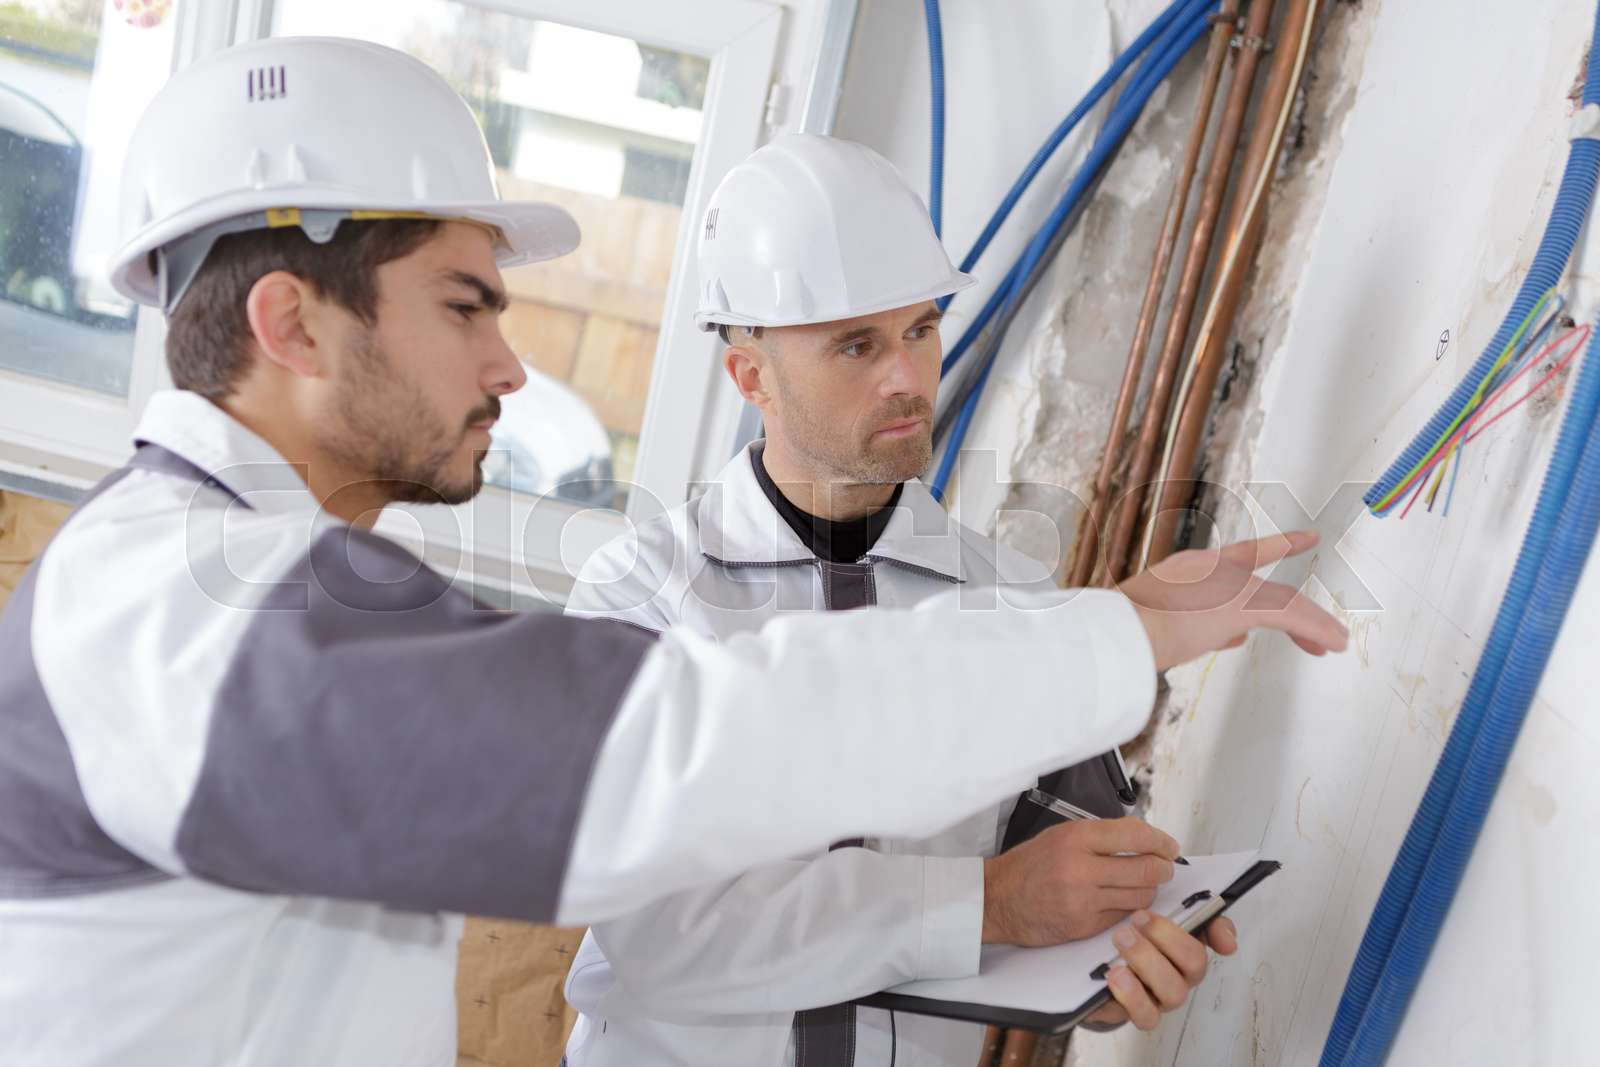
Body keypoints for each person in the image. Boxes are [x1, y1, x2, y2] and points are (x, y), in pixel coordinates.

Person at [0, 38, 1346, 1067]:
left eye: (917, 329)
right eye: (464, 303)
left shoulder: (252, 582)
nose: (513, 361)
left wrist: (1096, 922)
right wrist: (1113, 642)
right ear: (292, 323)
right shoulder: (197, 610)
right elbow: (681, 757)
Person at [558, 135, 1259, 1066]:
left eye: (920, 330)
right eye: (855, 344)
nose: (905, 377)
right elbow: (666, 935)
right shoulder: (643, 599)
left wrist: (1109, 965)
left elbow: (1067, 878)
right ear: (751, 375)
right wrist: (990, 901)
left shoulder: (1012, 601)